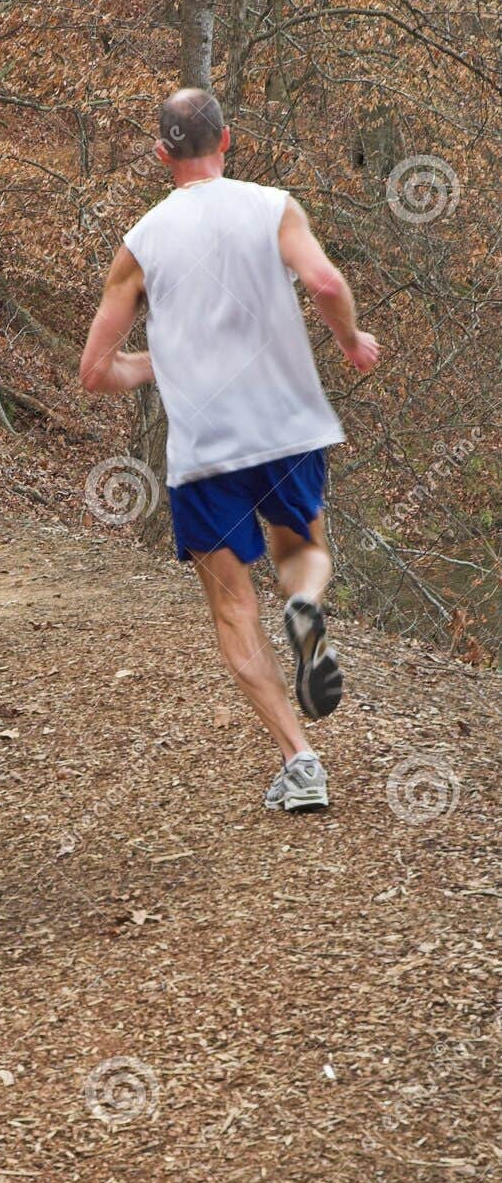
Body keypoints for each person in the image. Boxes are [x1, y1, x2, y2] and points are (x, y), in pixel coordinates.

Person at [80, 88, 380, 811]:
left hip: (204, 447)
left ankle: (300, 761)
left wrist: (164, 361)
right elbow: (325, 281)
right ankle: (304, 604)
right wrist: (347, 339)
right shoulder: (270, 205)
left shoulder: (141, 241)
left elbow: (96, 372)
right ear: (227, 139)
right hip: (286, 424)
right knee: (300, 552)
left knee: (231, 605)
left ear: (162, 156)